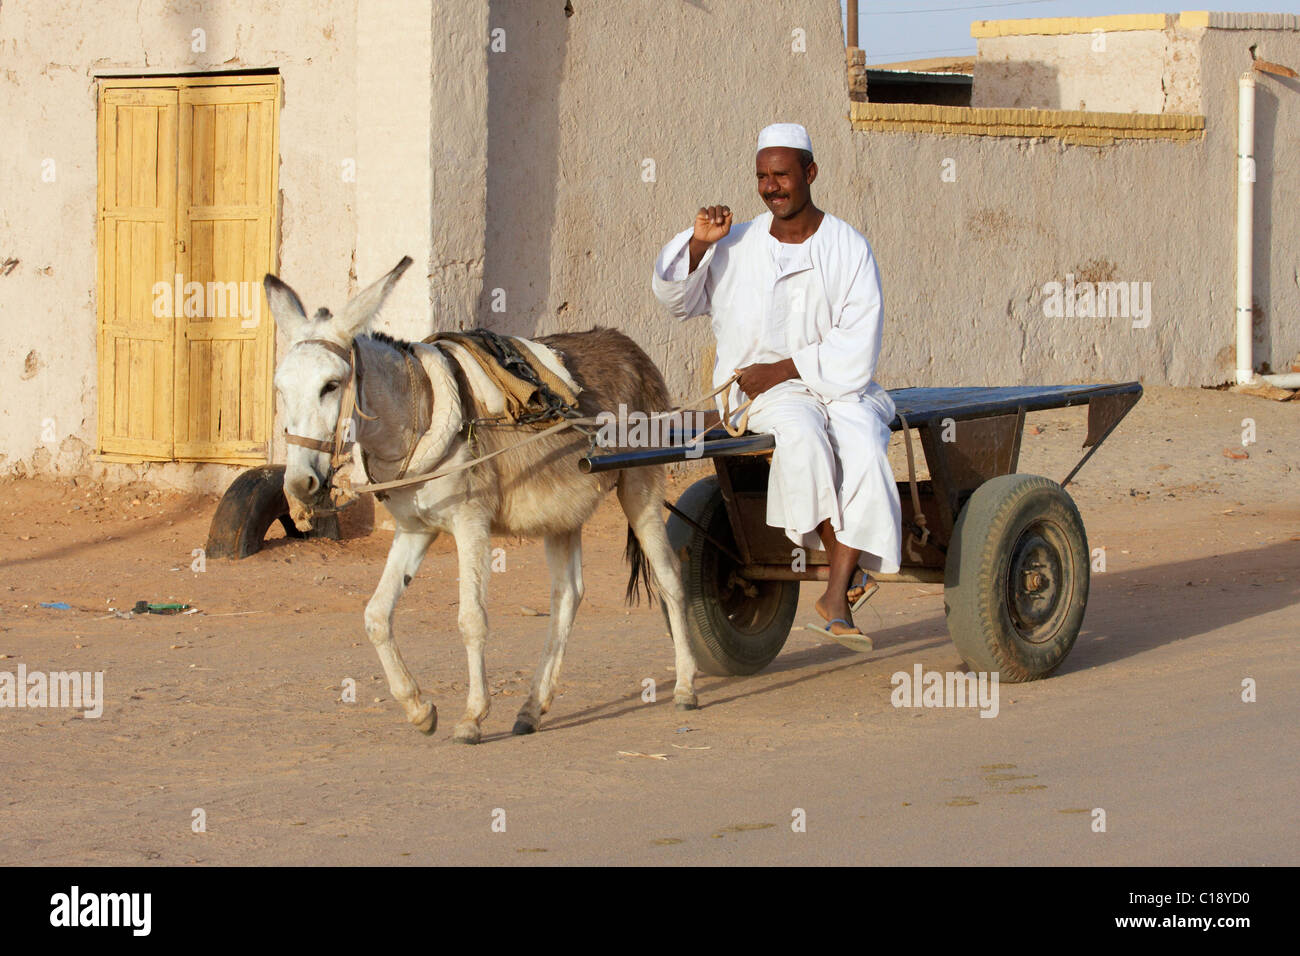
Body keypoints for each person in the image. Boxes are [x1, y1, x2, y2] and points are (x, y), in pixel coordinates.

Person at [651, 122, 901, 648]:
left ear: (809, 173)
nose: (771, 187)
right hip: (756, 395)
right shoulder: (734, 243)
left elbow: (857, 341)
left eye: (782, 175)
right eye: (762, 177)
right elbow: (676, 301)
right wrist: (699, 243)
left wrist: (786, 368)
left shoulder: (848, 247)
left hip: (839, 383)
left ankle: (835, 593)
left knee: (863, 441)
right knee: (802, 433)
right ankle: (843, 581)